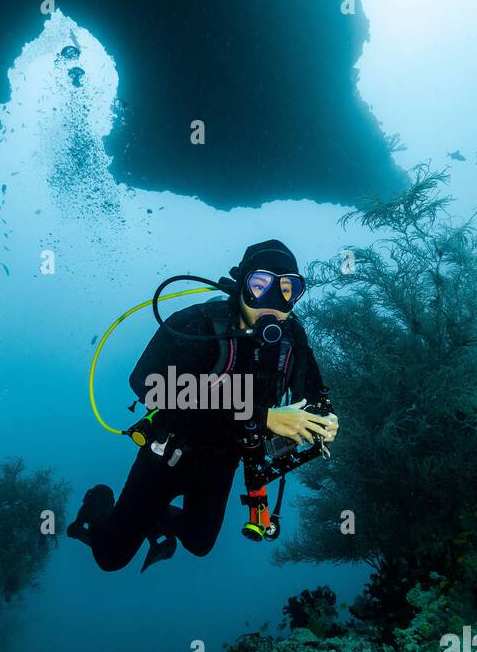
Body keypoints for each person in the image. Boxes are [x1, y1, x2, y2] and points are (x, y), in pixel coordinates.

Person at [67, 239, 339, 571]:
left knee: (199, 544)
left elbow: (315, 395)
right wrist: (262, 415)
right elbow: (145, 383)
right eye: (260, 285)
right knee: (110, 558)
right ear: (240, 286)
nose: (273, 301)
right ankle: (98, 505)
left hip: (221, 462)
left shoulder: (292, 337)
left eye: (286, 289)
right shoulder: (197, 325)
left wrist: (323, 419)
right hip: (166, 457)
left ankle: (157, 519)